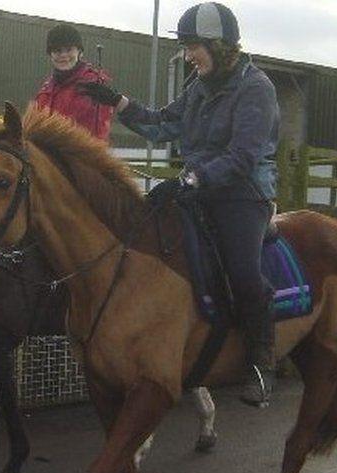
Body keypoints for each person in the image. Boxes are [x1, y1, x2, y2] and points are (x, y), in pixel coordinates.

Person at [78, 2, 280, 407]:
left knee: (242, 271)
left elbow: (242, 157)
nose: (188, 55)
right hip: (199, 189)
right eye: (186, 47)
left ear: (219, 45)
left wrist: (192, 177)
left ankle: (262, 361)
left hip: (243, 195)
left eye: (193, 47)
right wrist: (117, 101)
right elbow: (160, 124)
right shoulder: (199, 87)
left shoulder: (255, 87)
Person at [34, 24, 114, 141]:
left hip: (80, 155)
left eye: (69, 49)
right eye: (57, 51)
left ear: (80, 52)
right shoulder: (45, 91)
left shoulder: (94, 86)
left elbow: (97, 134)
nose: (63, 55)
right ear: (51, 55)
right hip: (47, 156)